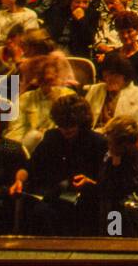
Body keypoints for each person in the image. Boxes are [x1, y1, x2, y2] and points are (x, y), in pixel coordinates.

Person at [19, 96, 106, 236]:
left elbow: (107, 184)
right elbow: (30, 165)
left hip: (86, 198)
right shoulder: (52, 137)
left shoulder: (98, 142)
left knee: (46, 212)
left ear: (81, 122)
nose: (66, 130)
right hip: (56, 195)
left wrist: (89, 183)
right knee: (36, 209)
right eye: (61, 125)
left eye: (71, 125)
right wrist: (19, 180)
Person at [86, 52, 138, 134]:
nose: (109, 79)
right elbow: (84, 118)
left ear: (125, 75)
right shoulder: (95, 89)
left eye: (114, 75)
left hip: (122, 141)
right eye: (106, 75)